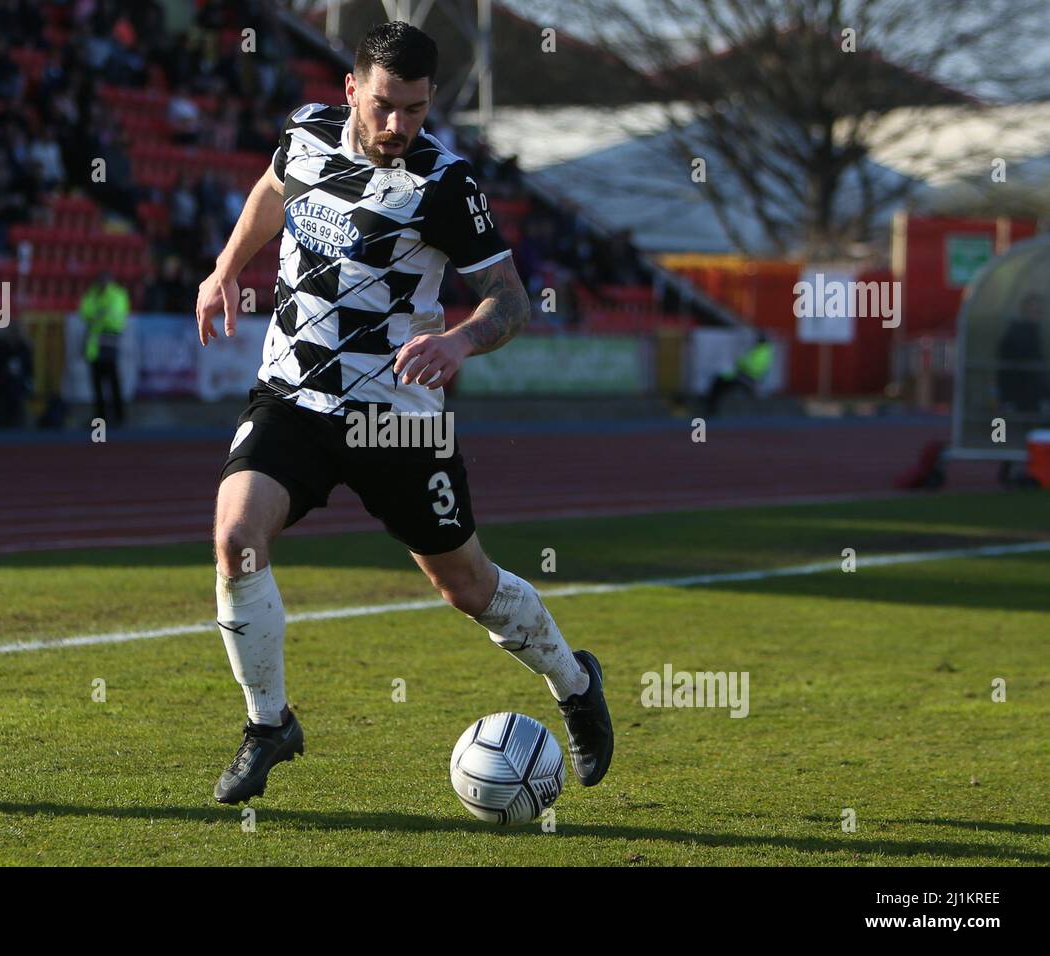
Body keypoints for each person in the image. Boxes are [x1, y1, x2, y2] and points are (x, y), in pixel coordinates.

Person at [194, 21, 614, 806]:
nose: (399, 127)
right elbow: (272, 191)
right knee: (235, 540)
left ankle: (574, 680)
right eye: (386, 106)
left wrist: (459, 342)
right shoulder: (306, 133)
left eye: (416, 111)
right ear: (351, 89)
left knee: (466, 586)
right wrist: (224, 269)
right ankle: (268, 725)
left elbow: (510, 300)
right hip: (294, 399)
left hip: (396, 418)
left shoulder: (444, 183)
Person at [79, 271, 129, 426]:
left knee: (112, 382)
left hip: (108, 345)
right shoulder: (92, 294)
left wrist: (98, 315)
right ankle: (100, 418)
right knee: (97, 385)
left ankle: (119, 417)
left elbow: (115, 319)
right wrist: (100, 314)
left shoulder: (117, 295)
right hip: (94, 347)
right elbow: (84, 312)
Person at [705, 330, 773, 416]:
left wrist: (742, 365)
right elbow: (744, 362)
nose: (756, 340)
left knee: (720, 383)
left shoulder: (764, 351)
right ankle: (712, 404)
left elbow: (755, 368)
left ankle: (712, 406)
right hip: (742, 375)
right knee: (720, 380)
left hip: (749, 378)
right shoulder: (757, 349)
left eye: (758, 338)